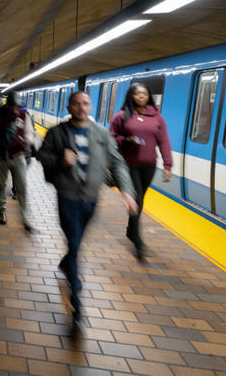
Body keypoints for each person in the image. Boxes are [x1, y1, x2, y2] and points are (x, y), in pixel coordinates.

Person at [37, 91, 137, 339]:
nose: (82, 108)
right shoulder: (57, 132)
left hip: (91, 200)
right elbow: (42, 156)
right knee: (74, 242)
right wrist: (61, 160)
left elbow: (117, 162)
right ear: (69, 106)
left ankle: (66, 262)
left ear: (90, 106)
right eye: (77, 104)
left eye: (86, 103)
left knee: (76, 244)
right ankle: (77, 305)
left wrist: (126, 191)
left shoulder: (101, 134)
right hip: (67, 197)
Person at [109, 83, 173, 260]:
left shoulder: (157, 118)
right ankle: (137, 240)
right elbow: (111, 137)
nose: (141, 96)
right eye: (137, 94)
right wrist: (125, 139)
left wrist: (167, 165)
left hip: (148, 165)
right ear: (131, 96)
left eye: (144, 94)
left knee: (140, 200)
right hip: (128, 165)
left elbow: (164, 142)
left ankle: (131, 230)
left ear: (149, 96)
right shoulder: (122, 116)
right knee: (136, 199)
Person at [0, 91, 35, 232]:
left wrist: (26, 141)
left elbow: (31, 135)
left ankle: (25, 217)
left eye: (17, 106)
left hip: (18, 157)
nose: (16, 109)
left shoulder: (25, 116)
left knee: (22, 186)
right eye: (13, 106)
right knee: (1, 184)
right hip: (1, 157)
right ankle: (1, 211)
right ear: (8, 104)